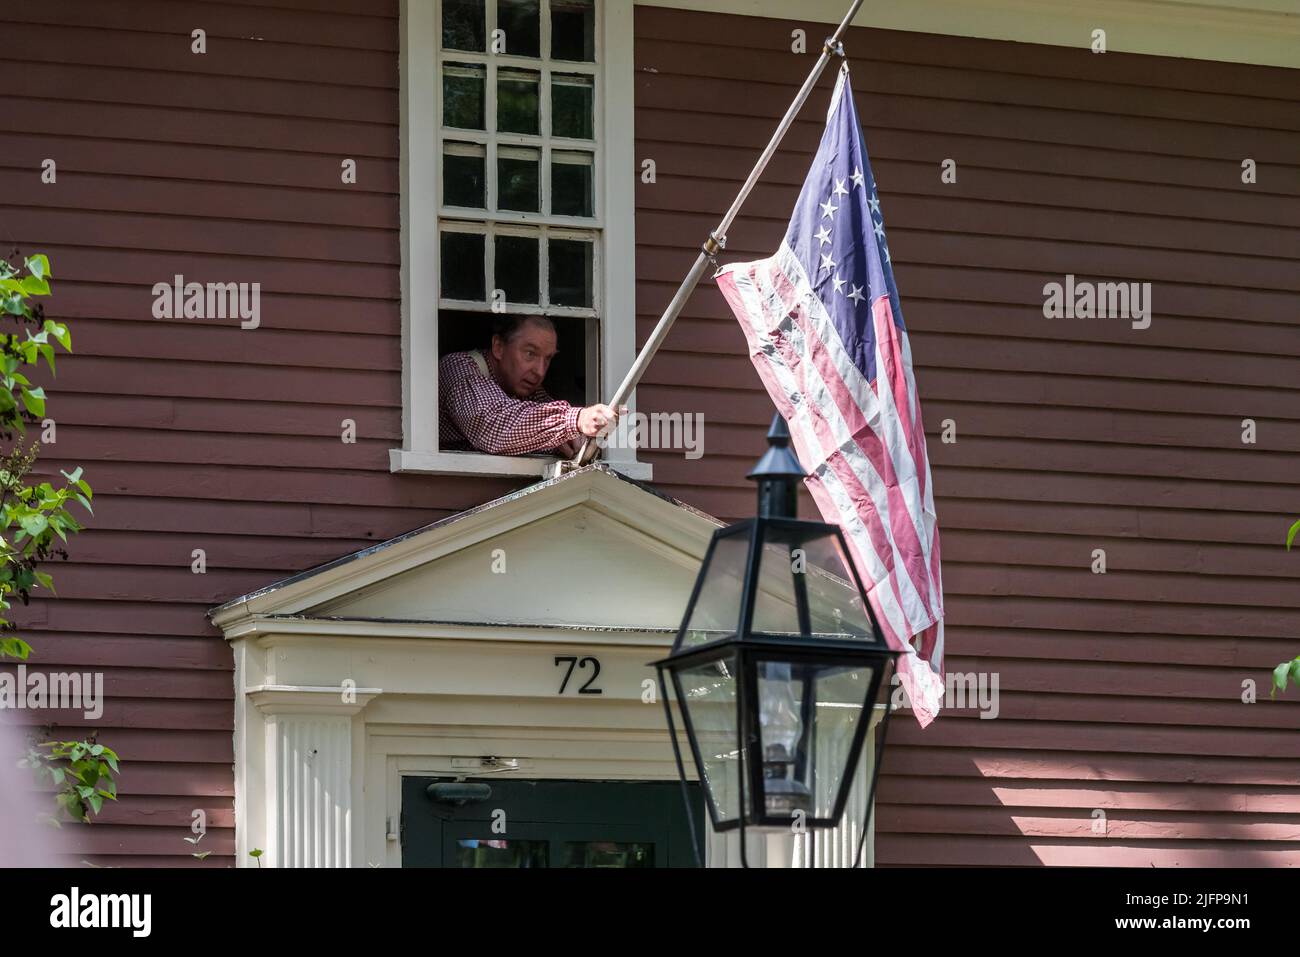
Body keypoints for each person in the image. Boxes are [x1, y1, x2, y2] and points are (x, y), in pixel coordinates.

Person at [439, 315, 623, 457]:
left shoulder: (527, 389)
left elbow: (537, 417)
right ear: (498, 347)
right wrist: (576, 420)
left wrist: (570, 440)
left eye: (548, 358)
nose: (540, 371)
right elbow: (494, 428)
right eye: (530, 353)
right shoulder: (460, 369)